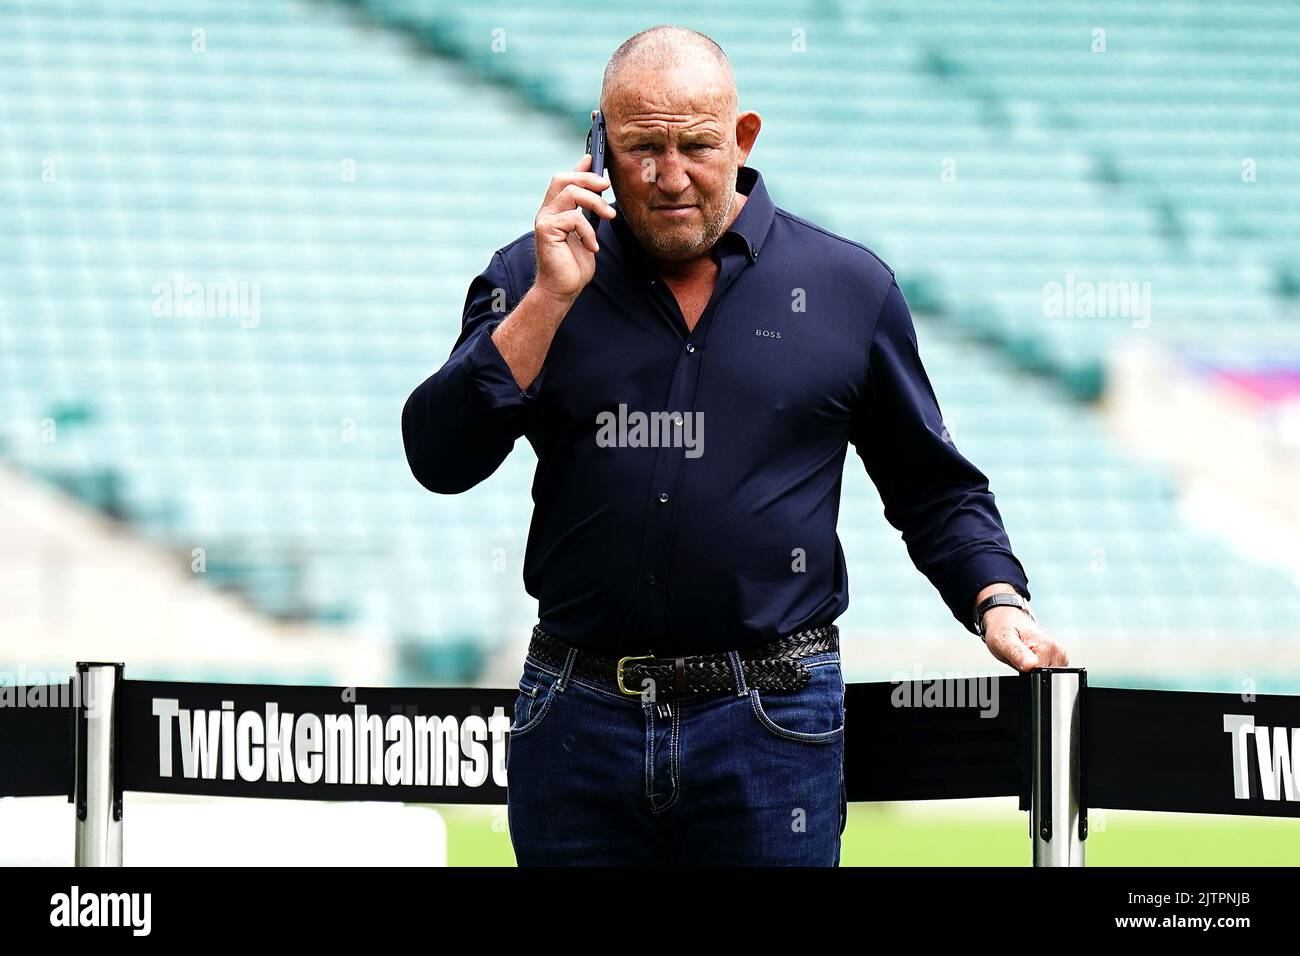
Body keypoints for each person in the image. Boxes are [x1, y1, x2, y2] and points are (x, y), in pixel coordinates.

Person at [401, 24, 1069, 866]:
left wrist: (996, 600)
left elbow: (933, 487)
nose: (670, 175)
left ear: (743, 137)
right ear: (599, 144)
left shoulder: (847, 288)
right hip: (576, 716)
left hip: (773, 720)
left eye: (697, 146)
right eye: (643, 147)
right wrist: (543, 305)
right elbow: (439, 458)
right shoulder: (531, 273)